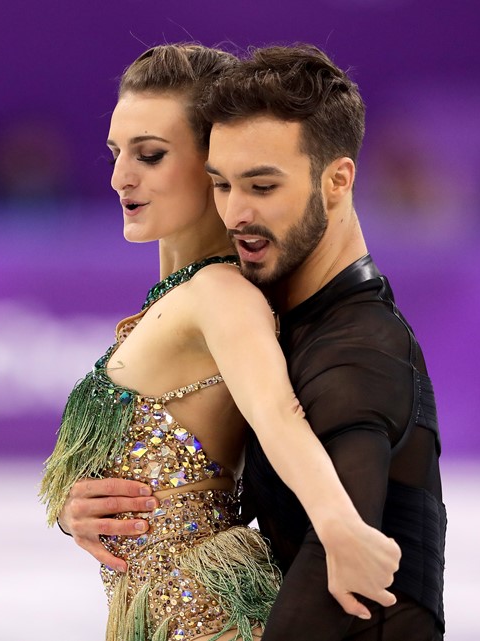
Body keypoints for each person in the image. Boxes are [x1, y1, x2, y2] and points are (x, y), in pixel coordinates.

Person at [60, 43, 448, 640]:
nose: (119, 177)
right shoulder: (218, 297)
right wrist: (92, 507)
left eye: (152, 154)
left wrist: (341, 528)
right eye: (225, 183)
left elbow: (279, 422)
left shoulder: (255, 306)